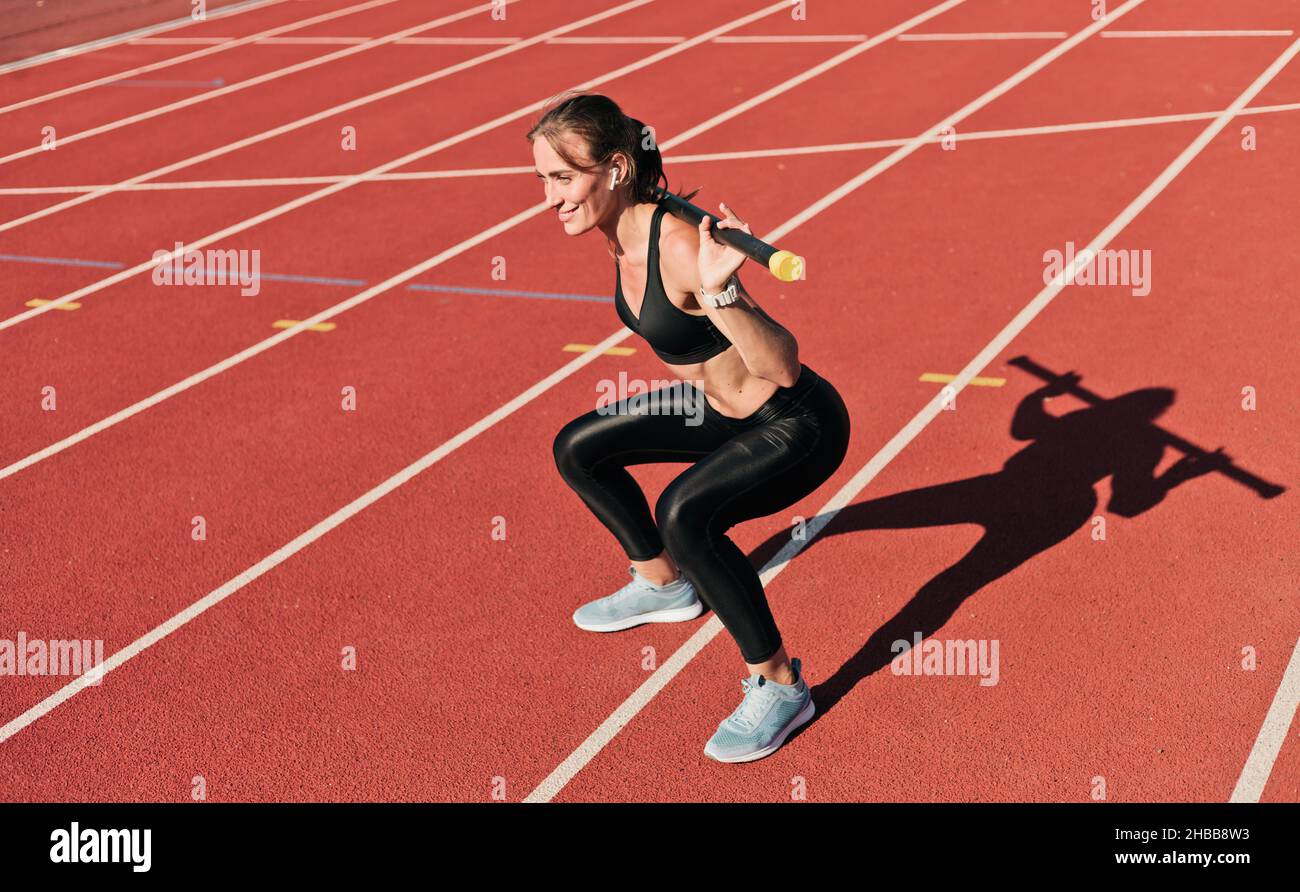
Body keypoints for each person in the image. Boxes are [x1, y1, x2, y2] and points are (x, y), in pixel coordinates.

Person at [528, 91, 851, 763]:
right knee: (578, 448)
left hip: (795, 423)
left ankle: (781, 687)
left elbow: (782, 366)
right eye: (543, 180)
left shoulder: (676, 244)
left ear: (616, 169)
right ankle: (663, 586)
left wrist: (721, 291)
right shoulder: (619, 228)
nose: (550, 198)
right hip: (721, 412)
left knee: (685, 514)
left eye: (562, 178)